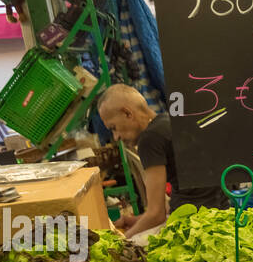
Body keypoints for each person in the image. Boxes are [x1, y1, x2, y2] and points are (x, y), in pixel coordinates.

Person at [96, 84, 226, 238]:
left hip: (194, 227)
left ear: (127, 113)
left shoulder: (149, 140)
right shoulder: (165, 121)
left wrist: (121, 240)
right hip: (217, 214)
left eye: (113, 127)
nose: (116, 137)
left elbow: (156, 214)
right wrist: (134, 221)